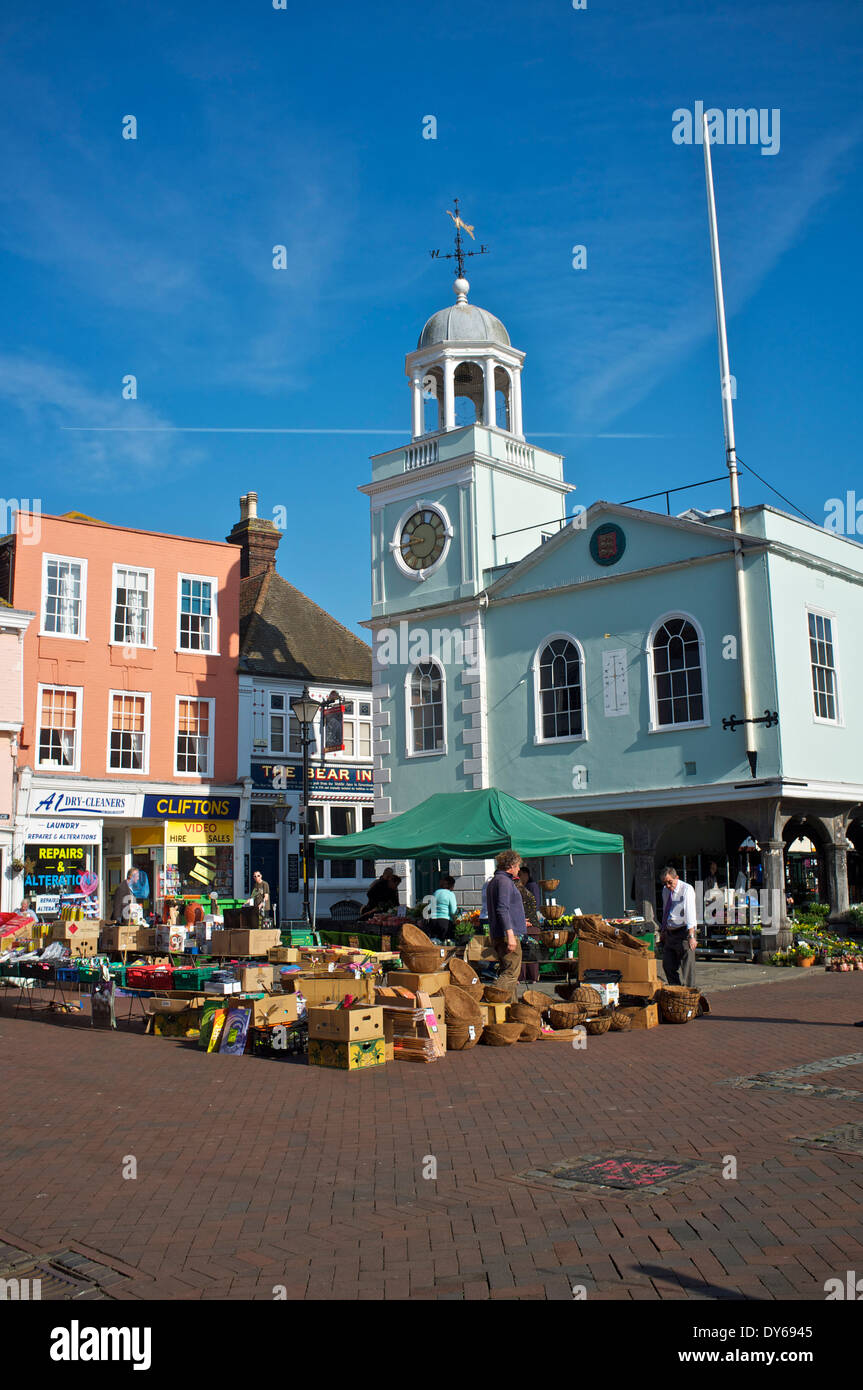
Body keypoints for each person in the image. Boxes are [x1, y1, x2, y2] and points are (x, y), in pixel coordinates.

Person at [485, 850, 526, 1002]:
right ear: (510, 865)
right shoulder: (504, 882)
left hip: (499, 933)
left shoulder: (495, 881)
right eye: (517, 866)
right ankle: (489, 997)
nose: (519, 869)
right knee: (510, 973)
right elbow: (502, 909)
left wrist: (520, 919)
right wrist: (510, 935)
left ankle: (511, 1009)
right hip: (506, 934)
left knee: (508, 973)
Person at [659, 865, 698, 987]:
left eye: (670, 882)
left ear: (677, 878)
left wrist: (691, 935)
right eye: (665, 883)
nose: (668, 886)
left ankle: (689, 995)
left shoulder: (686, 889)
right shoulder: (665, 891)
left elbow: (690, 912)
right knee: (668, 964)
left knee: (687, 967)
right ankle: (676, 990)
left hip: (684, 931)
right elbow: (666, 909)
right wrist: (663, 930)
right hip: (671, 932)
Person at [516, 866, 541, 984]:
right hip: (526, 925)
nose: (520, 877)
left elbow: (532, 907)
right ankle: (525, 976)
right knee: (525, 951)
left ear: (526, 874)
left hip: (530, 924)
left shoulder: (531, 887)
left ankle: (530, 976)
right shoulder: (525, 888)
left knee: (529, 951)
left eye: (521, 875)